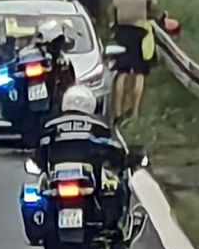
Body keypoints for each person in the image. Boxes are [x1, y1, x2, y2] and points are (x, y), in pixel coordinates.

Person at [34, 84, 131, 233]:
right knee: (116, 187)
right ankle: (115, 227)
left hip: (63, 182)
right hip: (82, 185)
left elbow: (39, 151)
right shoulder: (99, 126)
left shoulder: (50, 124)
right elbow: (114, 151)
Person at [108, 0, 160, 121]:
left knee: (121, 71)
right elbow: (153, 8)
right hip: (140, 30)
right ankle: (135, 112)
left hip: (121, 31)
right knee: (139, 72)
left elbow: (113, 9)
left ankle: (117, 111)